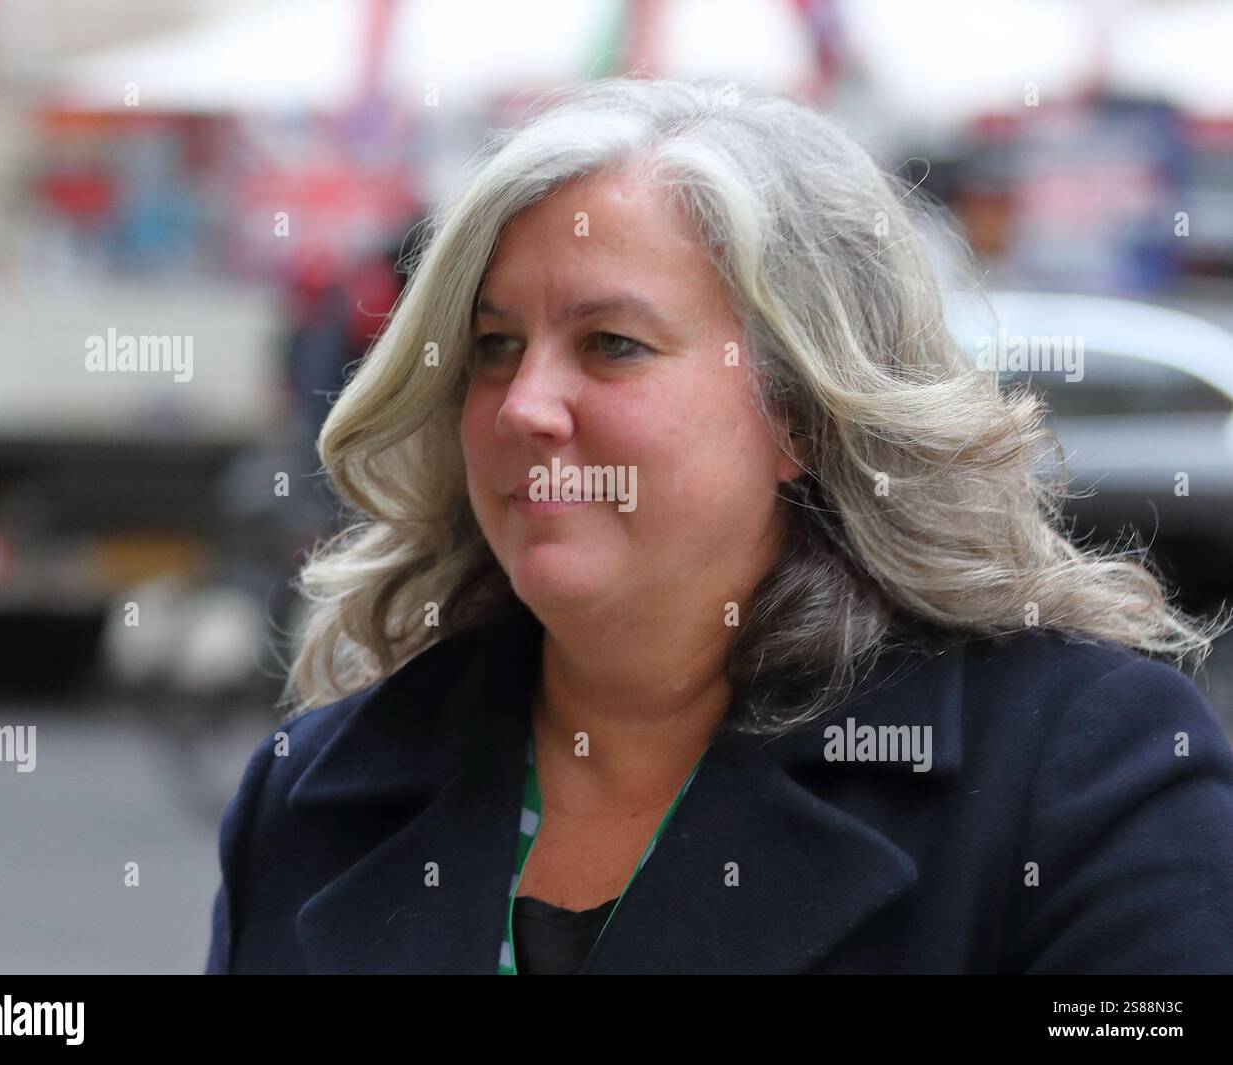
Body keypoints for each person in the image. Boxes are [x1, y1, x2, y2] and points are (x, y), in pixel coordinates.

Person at [205, 77, 1233, 975]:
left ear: (801, 411)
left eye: (611, 343)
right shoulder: (315, 790)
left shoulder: (1074, 770)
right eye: (493, 345)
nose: (523, 404)